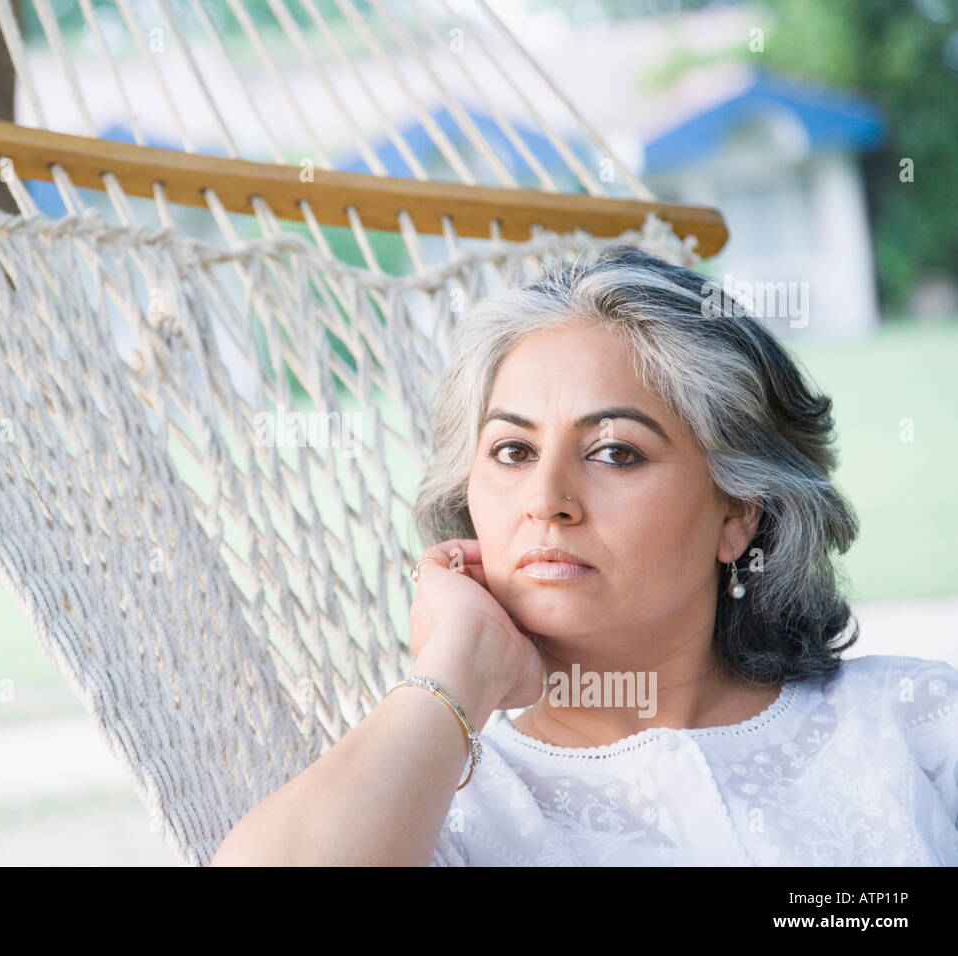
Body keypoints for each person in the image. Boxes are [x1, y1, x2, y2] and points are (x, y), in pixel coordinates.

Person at [209, 246, 958, 866]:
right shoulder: (437, 811)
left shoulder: (912, 727)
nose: (548, 499)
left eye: (614, 452)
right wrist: (458, 664)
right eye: (512, 450)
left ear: (737, 512)